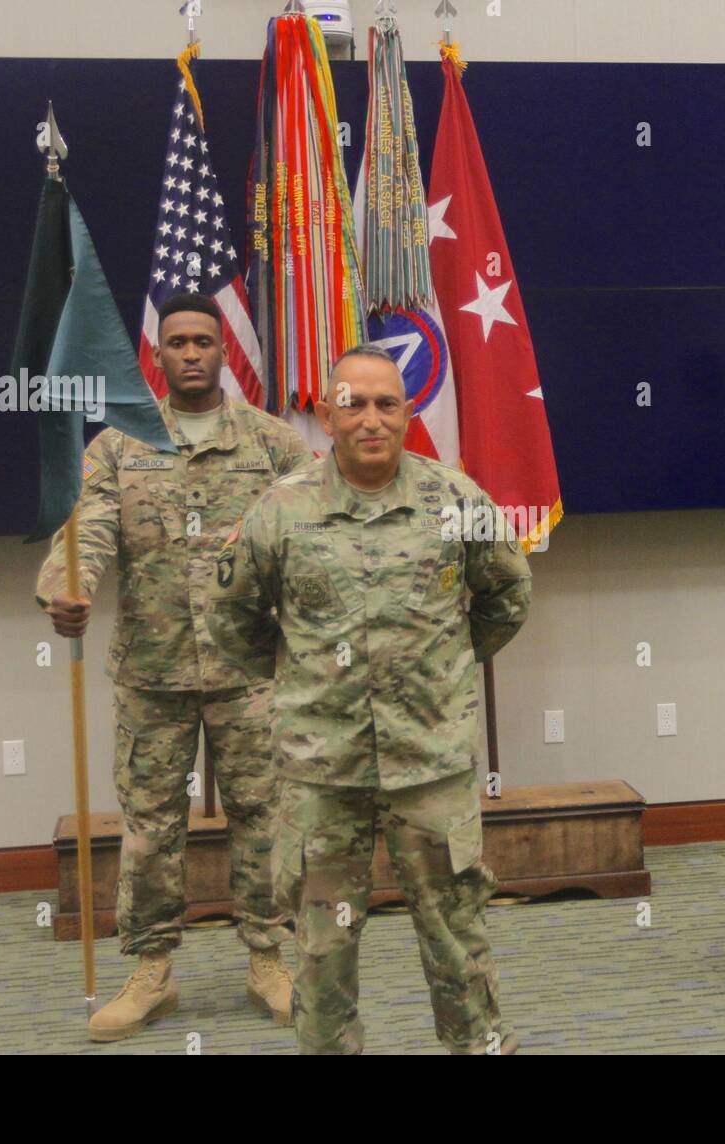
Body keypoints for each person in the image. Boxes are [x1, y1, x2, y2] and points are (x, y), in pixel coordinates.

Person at [208, 343, 532, 1055]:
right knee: (322, 951)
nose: (371, 420)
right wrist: (304, 679)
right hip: (321, 772)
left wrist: (442, 668)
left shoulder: (455, 501)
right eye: (352, 404)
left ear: (408, 411)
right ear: (326, 414)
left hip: (430, 763)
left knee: (457, 942)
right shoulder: (280, 510)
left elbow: (508, 594)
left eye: (387, 403)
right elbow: (231, 618)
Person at [36, 293, 311, 1042]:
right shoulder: (117, 445)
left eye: (204, 342)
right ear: (155, 353)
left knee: (265, 816)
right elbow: (87, 528)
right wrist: (68, 588)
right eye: (178, 342)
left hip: (252, 668)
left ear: (225, 352)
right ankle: (152, 970)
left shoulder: (274, 445)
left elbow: (312, 538)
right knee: (152, 827)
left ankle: (268, 956)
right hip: (153, 672)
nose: (191, 353)